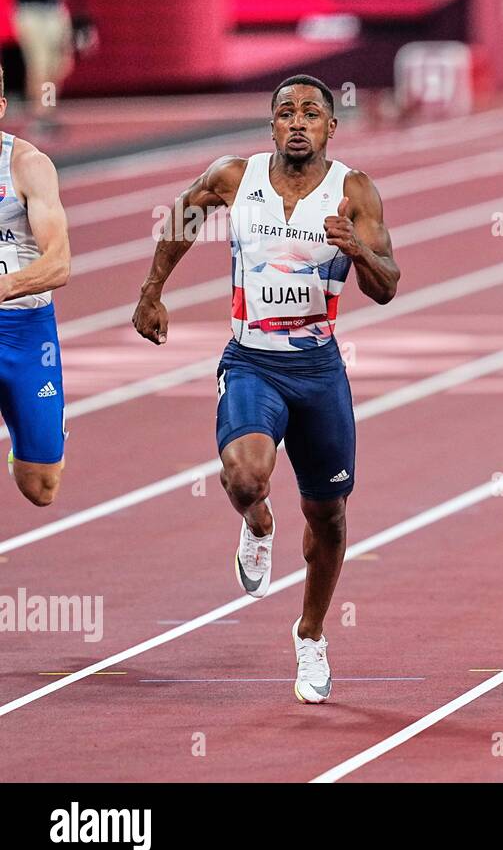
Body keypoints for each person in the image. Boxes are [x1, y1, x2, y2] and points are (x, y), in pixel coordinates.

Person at [132, 75, 399, 704]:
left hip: (318, 372)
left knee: (328, 517)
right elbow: (182, 215)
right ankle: (256, 522)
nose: (298, 122)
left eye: (311, 113)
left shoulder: (353, 190)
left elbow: (387, 283)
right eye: (285, 113)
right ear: (272, 125)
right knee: (246, 476)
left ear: (331, 128)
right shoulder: (235, 177)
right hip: (252, 362)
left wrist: (358, 248)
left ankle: (310, 633)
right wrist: (152, 291)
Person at [0, 63, 70, 505]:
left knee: (40, 489)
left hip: (26, 333)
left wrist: (4, 287)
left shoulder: (27, 166)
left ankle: (31, 445)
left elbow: (58, 265)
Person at [1, 0, 72, 134]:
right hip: (31, 11)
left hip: (54, 9)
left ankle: (47, 109)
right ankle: (43, 114)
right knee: (39, 65)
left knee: (57, 66)